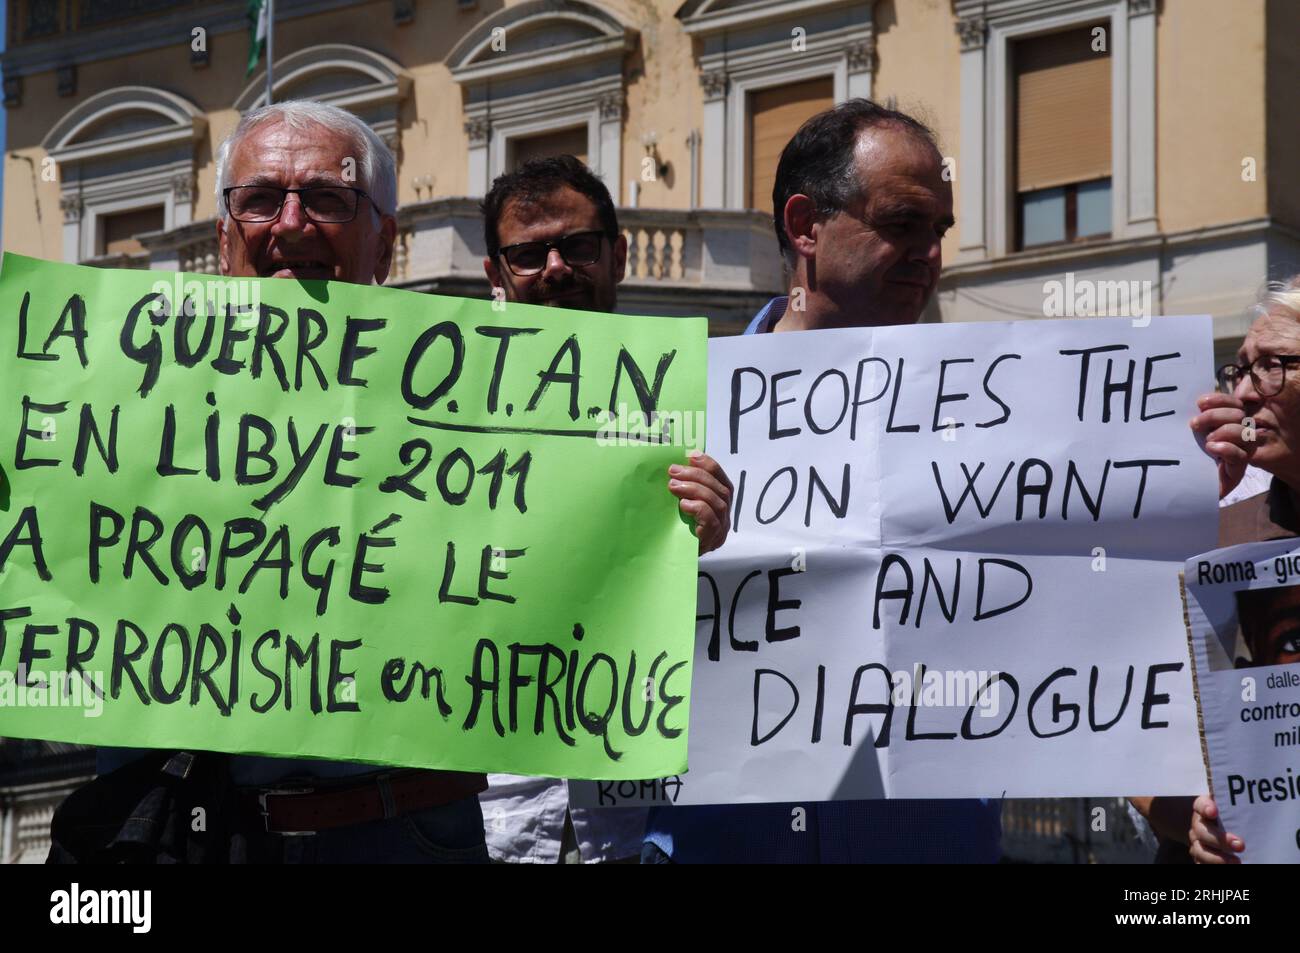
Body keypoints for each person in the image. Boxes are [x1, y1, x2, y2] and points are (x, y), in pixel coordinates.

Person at [91, 100, 491, 863]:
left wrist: (667, 525)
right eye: (261, 199)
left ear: (385, 245)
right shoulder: (108, 408)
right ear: (221, 236)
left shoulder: (480, 406)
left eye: (329, 198)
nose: (292, 224)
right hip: (190, 837)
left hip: (405, 835)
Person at [643, 99, 1002, 863]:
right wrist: (670, 549)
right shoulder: (670, 404)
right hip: (723, 842)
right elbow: (588, 618)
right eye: (903, 224)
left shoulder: (999, 414)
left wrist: (1178, 494)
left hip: (925, 841)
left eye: (938, 231)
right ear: (805, 224)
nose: (930, 254)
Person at [477, 155, 733, 861]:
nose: (555, 266)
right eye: (528, 254)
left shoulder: (706, 402)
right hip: (487, 821)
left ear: (618, 255)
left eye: (577, 245)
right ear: (496, 277)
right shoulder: (438, 420)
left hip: (644, 819)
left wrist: (716, 543)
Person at [1132, 276, 1300, 863]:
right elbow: (1122, 722)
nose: (1246, 395)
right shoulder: (1215, 541)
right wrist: (1187, 823)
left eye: (1274, 366)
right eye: (1241, 370)